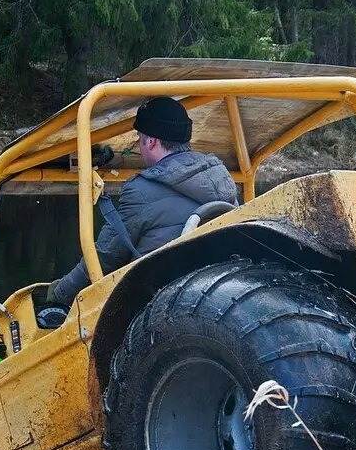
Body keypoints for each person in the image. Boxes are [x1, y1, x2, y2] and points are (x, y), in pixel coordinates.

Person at [46, 96, 238, 307]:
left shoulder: (141, 190)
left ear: (152, 141)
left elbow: (106, 257)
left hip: (158, 304)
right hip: (216, 295)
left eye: (139, 137)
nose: (138, 143)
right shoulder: (220, 177)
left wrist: (60, 294)